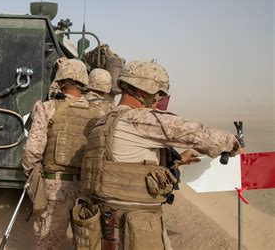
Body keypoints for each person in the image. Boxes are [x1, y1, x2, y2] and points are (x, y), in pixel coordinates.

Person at [81, 60, 242, 250]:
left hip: (104, 221)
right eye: (159, 95)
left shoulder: (104, 122)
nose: (159, 101)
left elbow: (123, 165)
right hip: (131, 226)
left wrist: (179, 160)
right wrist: (232, 143)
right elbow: (194, 133)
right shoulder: (138, 118)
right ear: (143, 91)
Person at [22, 59, 101, 250]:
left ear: (61, 80)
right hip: (86, 189)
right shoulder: (98, 113)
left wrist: (33, 177)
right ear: (84, 82)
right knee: (86, 245)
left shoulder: (46, 108)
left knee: (49, 244)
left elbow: (32, 151)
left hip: (54, 189)